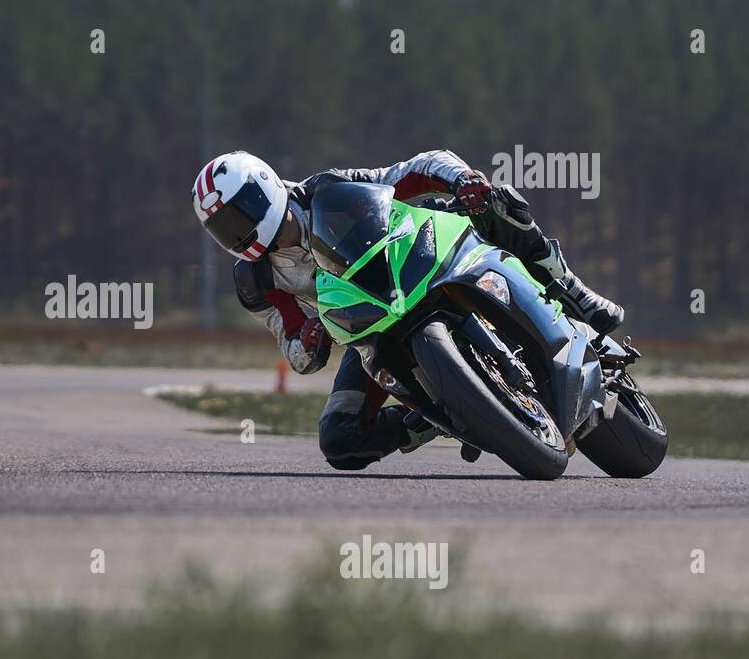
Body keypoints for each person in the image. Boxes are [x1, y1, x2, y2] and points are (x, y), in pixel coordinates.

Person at [191, 149, 623, 471]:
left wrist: (463, 180)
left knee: (496, 202)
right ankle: (433, 418)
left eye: (239, 213)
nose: (237, 231)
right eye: (222, 227)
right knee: (340, 440)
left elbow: (413, 170)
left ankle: (572, 290)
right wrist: (308, 341)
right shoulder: (255, 282)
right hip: (370, 330)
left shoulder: (326, 189)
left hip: (421, 257)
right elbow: (293, 348)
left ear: (264, 187)